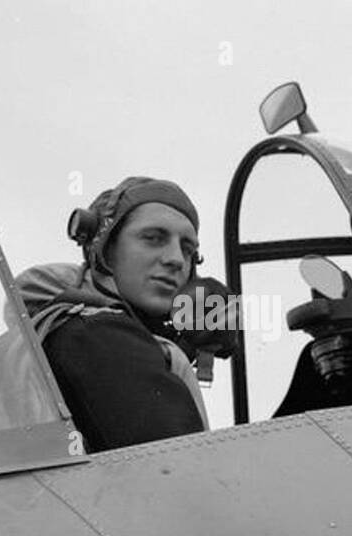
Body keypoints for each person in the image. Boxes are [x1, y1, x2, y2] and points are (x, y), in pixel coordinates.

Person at [11, 176, 225, 452]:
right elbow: (179, 476)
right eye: (153, 238)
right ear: (105, 248)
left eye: (188, 250)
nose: (176, 259)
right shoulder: (100, 338)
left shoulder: (69, 327)